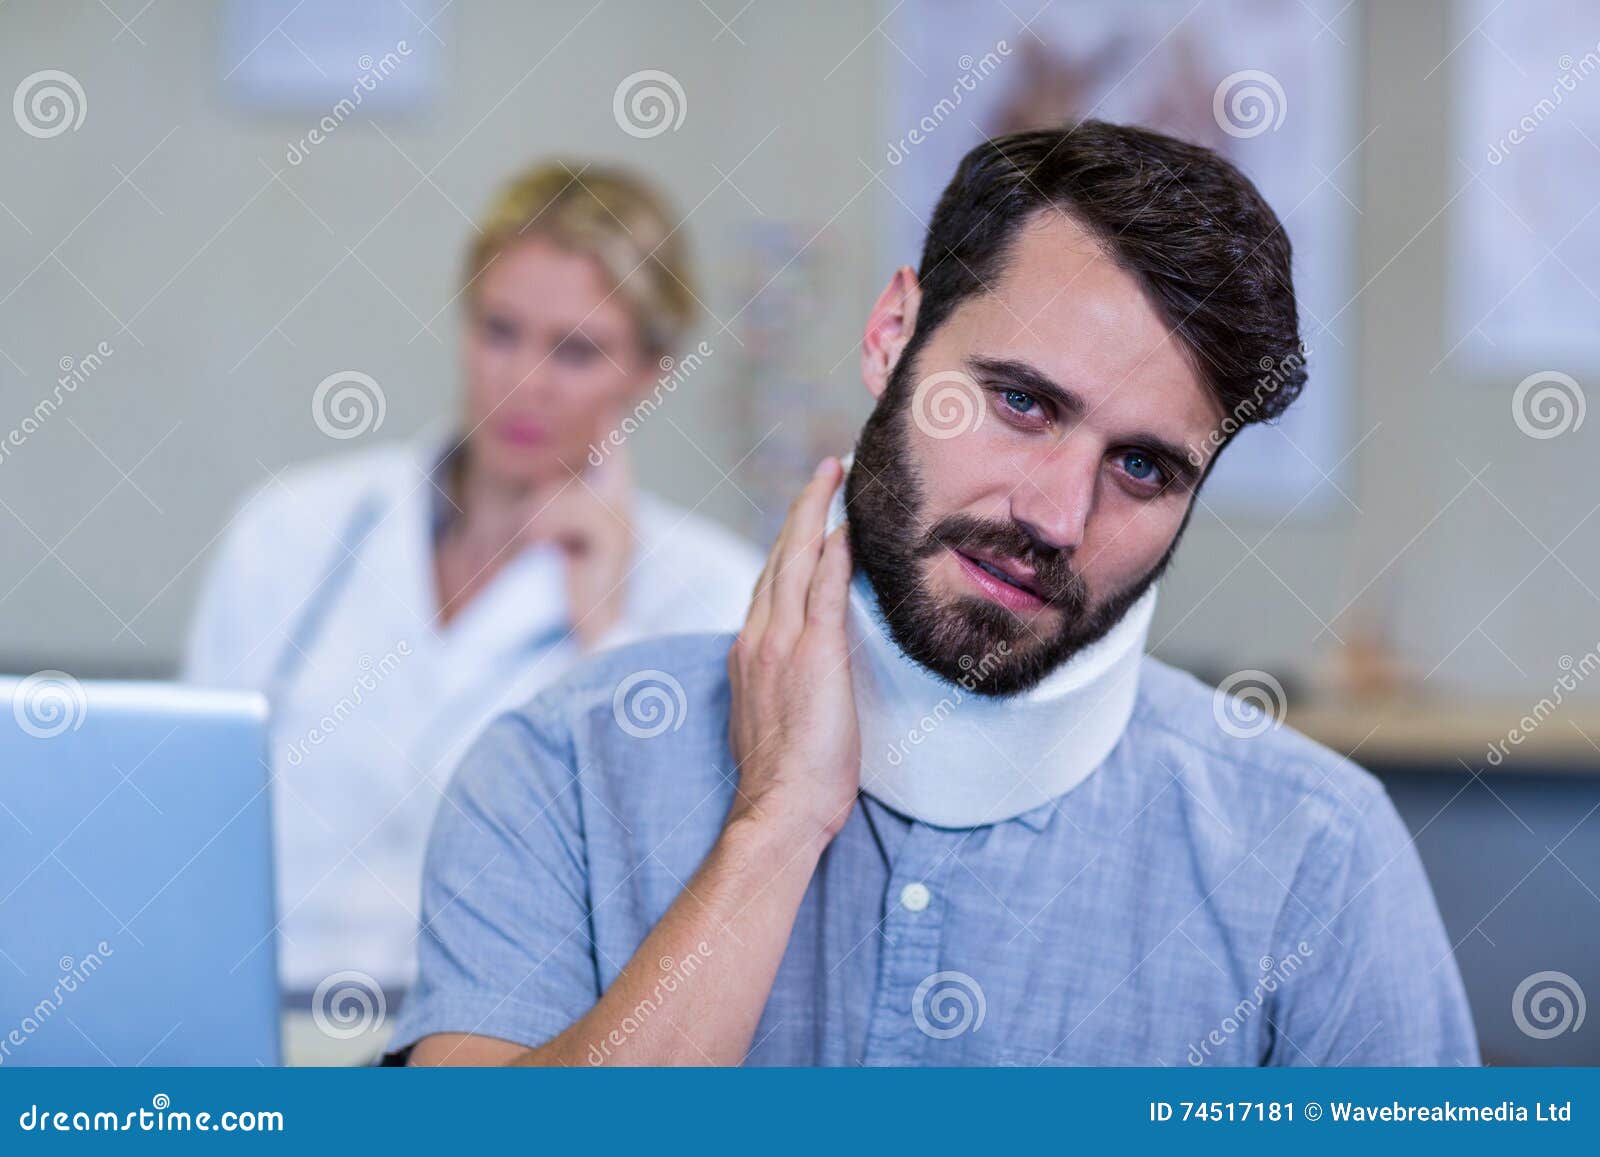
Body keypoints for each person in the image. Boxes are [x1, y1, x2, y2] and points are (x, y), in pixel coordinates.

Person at [389, 122, 1479, 1066]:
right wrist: (772, 827)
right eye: (1019, 401)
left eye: (1142, 467)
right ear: (889, 336)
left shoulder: (1315, 859)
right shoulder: (563, 772)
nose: (1055, 515)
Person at [183, 162, 764, 1001]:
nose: (522, 382)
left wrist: (606, 632)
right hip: (251, 1015)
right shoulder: (293, 529)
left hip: (488, 1045)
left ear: (650, 371)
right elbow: (191, 819)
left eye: (575, 350)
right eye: (499, 330)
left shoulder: (705, 593)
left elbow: (664, 895)